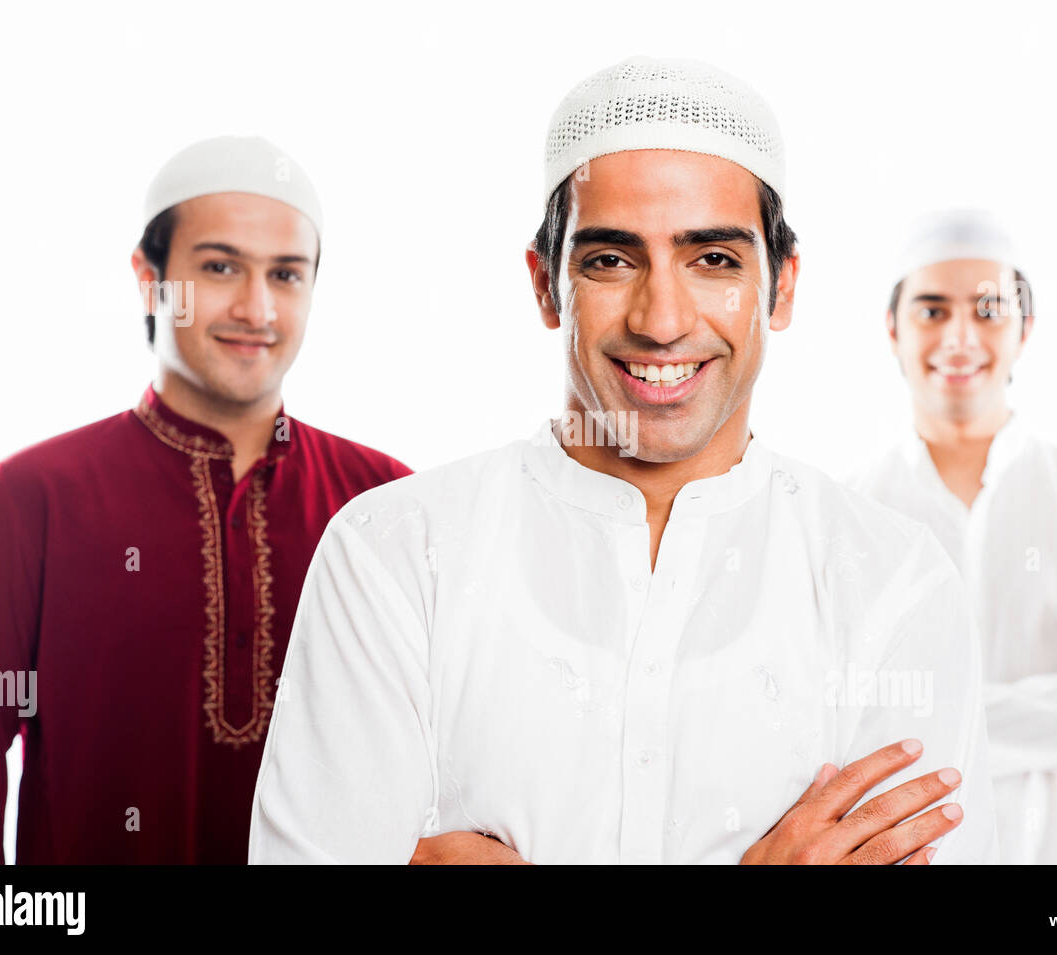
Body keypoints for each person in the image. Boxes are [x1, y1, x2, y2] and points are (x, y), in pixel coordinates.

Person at [249, 58, 998, 865]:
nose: (663, 319)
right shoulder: (394, 555)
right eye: (612, 259)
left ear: (782, 286)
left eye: (713, 259)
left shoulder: (892, 582)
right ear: (546, 286)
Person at [0, 135, 411, 863]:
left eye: (285, 274)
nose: (256, 307)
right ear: (148, 277)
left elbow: (449, 771)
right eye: (220, 266)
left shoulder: (386, 502)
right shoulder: (29, 501)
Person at [850, 210, 1057, 863]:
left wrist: (924, 720)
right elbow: (825, 728)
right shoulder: (844, 516)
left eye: (988, 309)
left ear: (1024, 328)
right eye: (932, 310)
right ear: (892, 328)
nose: (959, 337)